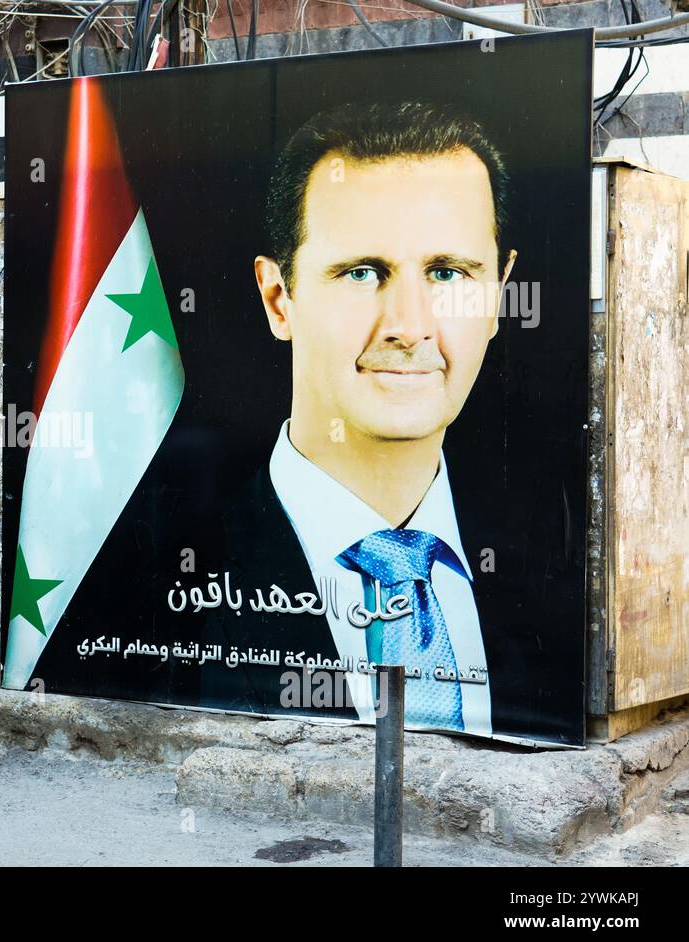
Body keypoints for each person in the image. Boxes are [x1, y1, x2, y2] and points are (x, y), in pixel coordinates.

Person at [213, 101, 520, 737]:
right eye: (361, 272)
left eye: (447, 273)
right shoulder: (162, 575)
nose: (409, 327)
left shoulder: (555, 574)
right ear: (279, 300)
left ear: (497, 295)